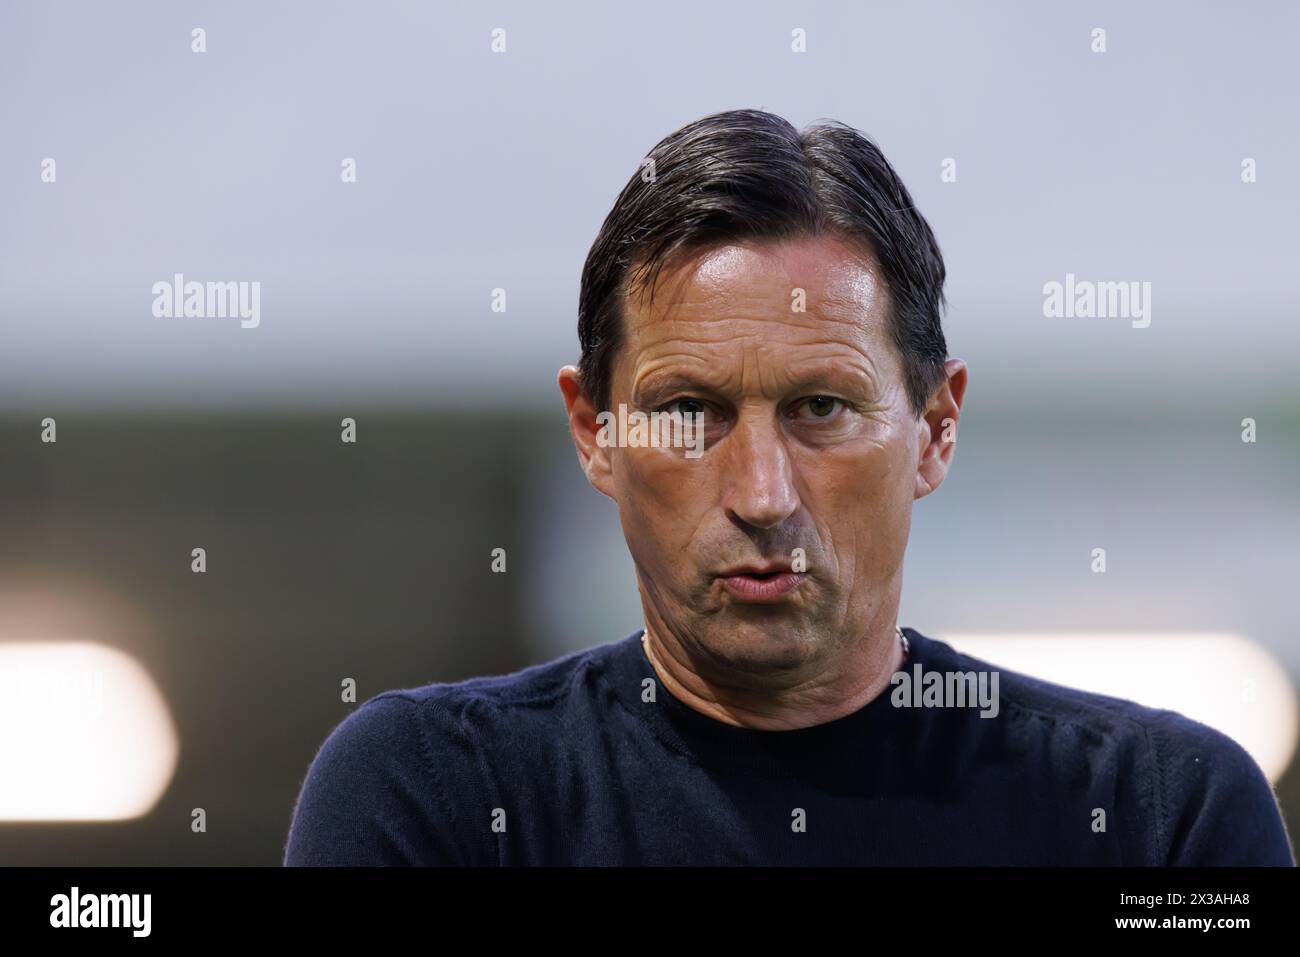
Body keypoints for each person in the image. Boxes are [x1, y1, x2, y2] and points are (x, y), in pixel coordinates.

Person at [284, 109, 1294, 866]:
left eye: (820, 408)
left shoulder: (1160, 819)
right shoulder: (436, 795)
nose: (762, 495)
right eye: (688, 413)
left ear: (935, 430)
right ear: (595, 432)